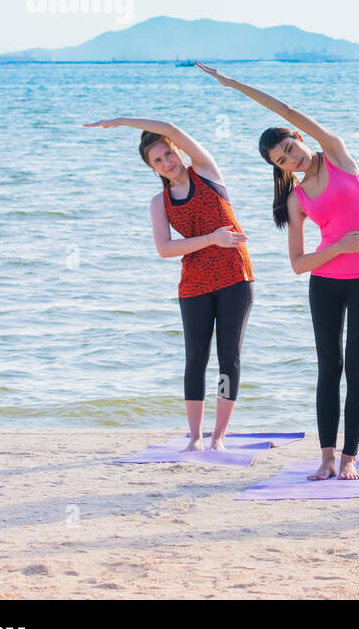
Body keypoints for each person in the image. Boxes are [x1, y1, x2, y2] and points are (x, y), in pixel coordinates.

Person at [195, 64, 359, 481]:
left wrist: (233, 84)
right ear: (279, 167)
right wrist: (336, 248)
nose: (292, 159)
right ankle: (327, 458)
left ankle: (351, 457)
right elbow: (298, 264)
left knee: (357, 366)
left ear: (298, 139)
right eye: (283, 160)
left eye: (290, 148)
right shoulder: (296, 199)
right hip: (326, 283)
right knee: (328, 368)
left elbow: (287, 108)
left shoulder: (336, 155)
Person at [83, 116, 253, 452]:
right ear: (152, 168)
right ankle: (194, 437)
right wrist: (212, 238)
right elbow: (165, 249)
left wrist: (122, 122)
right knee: (195, 358)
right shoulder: (159, 202)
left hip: (235, 276)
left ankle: (218, 436)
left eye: (169, 154)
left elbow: (172, 127)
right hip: (194, 283)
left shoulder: (206, 171)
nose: (167, 163)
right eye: (158, 161)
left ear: (178, 150)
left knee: (228, 357)